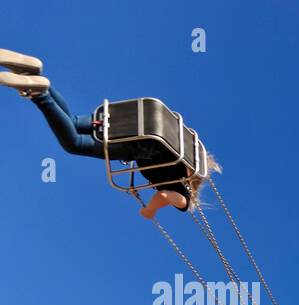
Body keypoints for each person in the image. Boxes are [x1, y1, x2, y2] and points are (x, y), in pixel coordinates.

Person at [1, 49, 215, 218]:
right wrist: (149, 210)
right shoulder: (186, 195)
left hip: (134, 120)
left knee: (72, 122)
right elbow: (166, 196)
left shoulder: (179, 152)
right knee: (74, 143)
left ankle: (32, 74)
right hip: (142, 144)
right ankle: (40, 94)